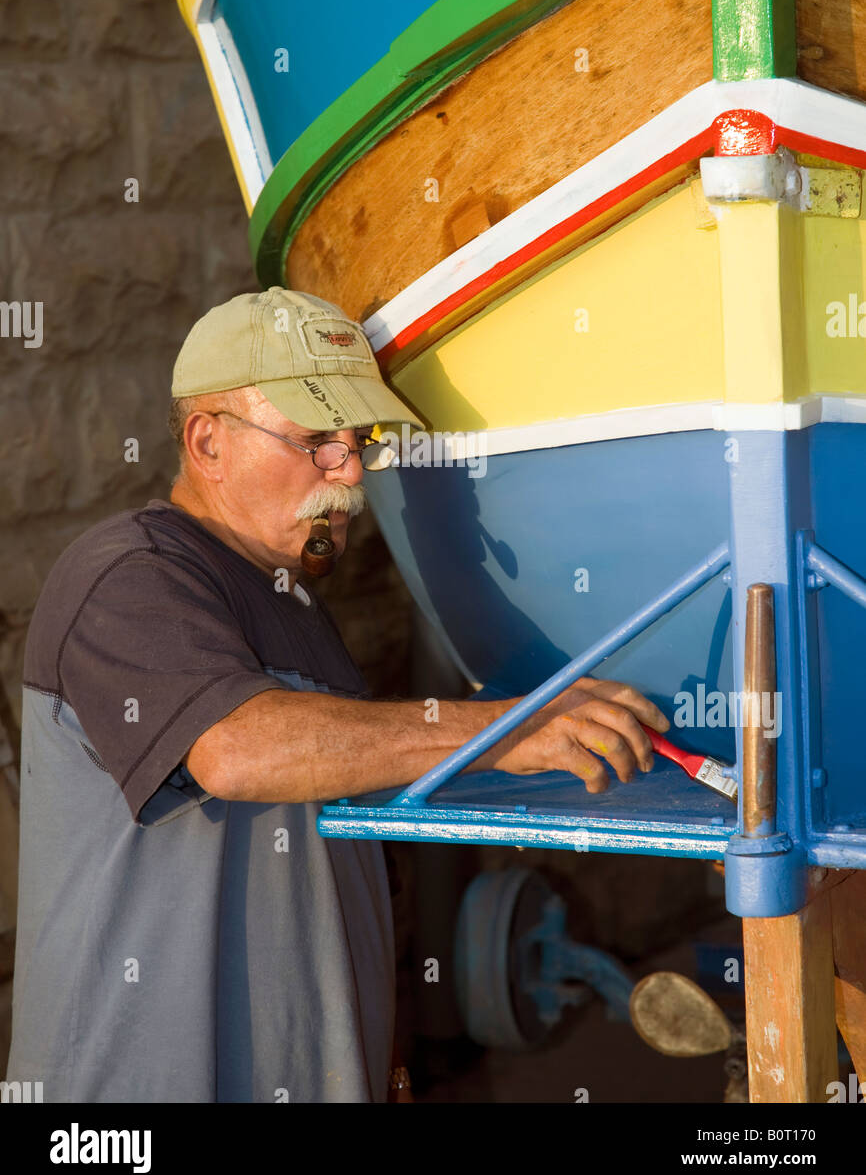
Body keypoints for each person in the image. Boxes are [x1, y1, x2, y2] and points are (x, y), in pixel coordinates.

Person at [5, 286, 669, 1103]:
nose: (351, 472)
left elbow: (340, 876)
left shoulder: (295, 609)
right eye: (318, 440)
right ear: (207, 443)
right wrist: (506, 730)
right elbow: (237, 750)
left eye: (361, 442)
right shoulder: (129, 574)